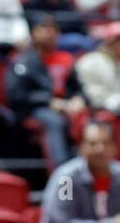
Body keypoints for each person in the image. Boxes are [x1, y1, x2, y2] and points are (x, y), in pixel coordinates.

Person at [6, 14, 86, 170]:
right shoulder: (22, 61)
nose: (49, 32)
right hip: (35, 109)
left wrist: (79, 99)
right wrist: (48, 101)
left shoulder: (66, 59)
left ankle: (87, 171)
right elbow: (16, 96)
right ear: (33, 32)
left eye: (53, 28)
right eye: (44, 27)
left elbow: (78, 89)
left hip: (66, 107)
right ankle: (62, 175)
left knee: (90, 119)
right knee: (53, 120)